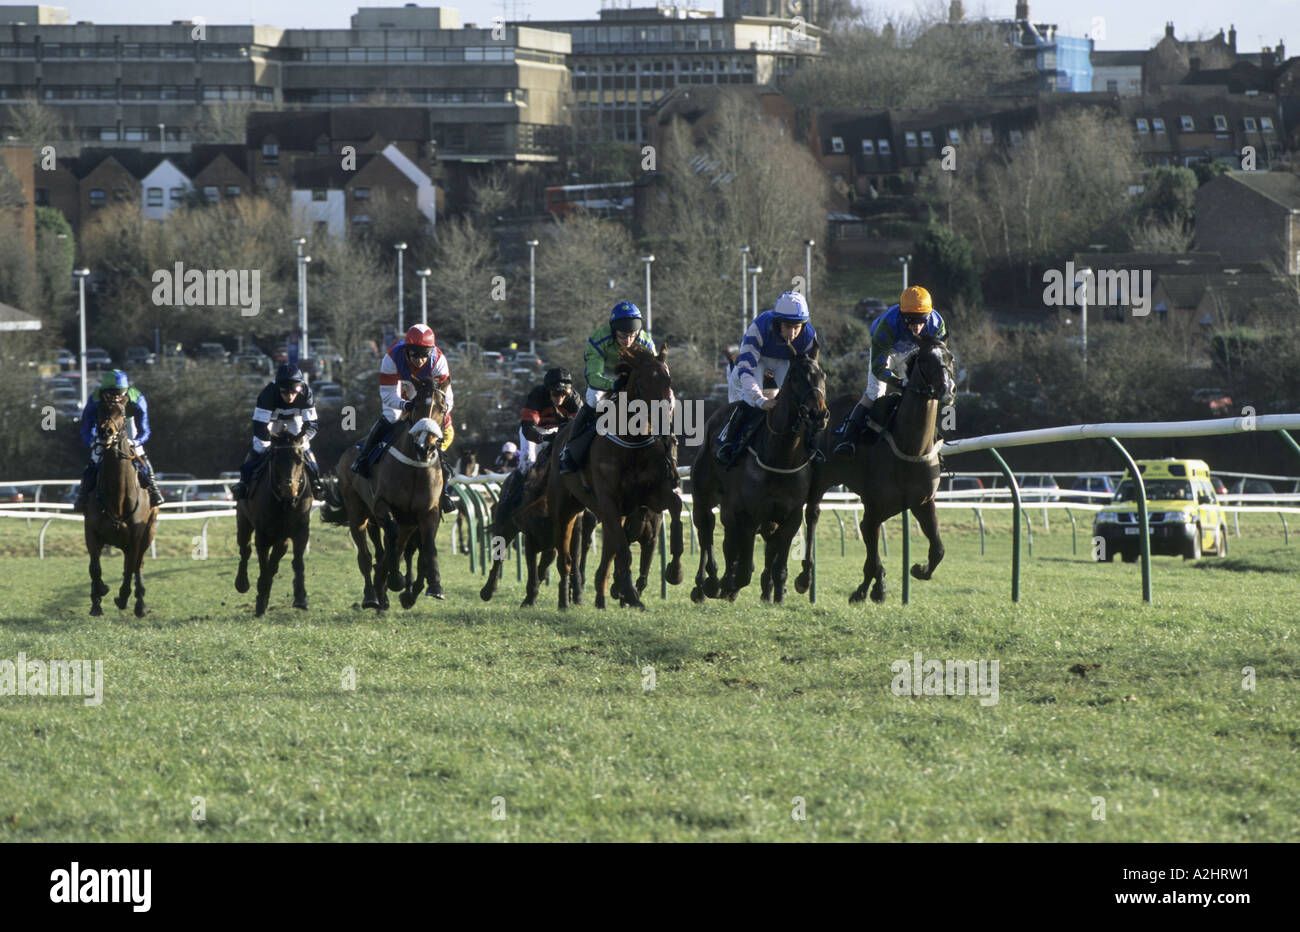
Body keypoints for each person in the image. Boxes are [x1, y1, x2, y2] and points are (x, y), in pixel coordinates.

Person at [558, 301, 675, 484]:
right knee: (594, 400)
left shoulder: (645, 340)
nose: (627, 340)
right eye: (622, 336)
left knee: (668, 401)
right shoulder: (598, 340)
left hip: (634, 380)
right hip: (605, 377)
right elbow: (593, 376)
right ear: (614, 331)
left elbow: (655, 371)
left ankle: (667, 451)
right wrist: (613, 384)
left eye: (632, 335)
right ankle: (570, 450)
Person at [352, 323, 457, 513]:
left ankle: (444, 489)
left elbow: (448, 397)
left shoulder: (439, 360)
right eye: (415, 354)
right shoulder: (392, 357)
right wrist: (406, 405)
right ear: (406, 350)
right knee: (391, 417)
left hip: (428, 393)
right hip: (400, 390)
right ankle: (364, 459)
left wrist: (439, 411)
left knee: (440, 430)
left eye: (424, 354)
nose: (419, 359)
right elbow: (387, 395)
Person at [833, 285, 948, 456]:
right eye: (911, 320)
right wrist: (899, 382)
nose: (916, 327)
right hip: (886, 351)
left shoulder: (937, 326)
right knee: (875, 392)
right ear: (902, 316)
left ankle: (933, 439)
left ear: (929, 316)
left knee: (925, 392)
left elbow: (939, 359)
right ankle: (847, 437)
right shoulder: (887, 325)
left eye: (921, 320)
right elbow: (879, 369)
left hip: (912, 352)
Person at [715, 291, 821, 467]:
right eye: (788, 326)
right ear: (778, 322)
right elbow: (746, 371)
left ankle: (812, 445)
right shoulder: (759, 328)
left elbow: (809, 373)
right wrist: (760, 400)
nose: (793, 333)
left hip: (786, 361)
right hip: (758, 359)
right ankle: (729, 442)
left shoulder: (809, 336)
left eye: (797, 327)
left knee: (802, 397)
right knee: (748, 400)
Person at [73, 369, 164, 511]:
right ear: (103, 391)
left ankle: (153, 489)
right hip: (105, 424)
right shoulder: (95, 399)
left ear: (126, 391)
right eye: (111, 393)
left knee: (140, 454)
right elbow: (86, 425)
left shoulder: (137, 398)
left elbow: (145, 430)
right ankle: (83, 495)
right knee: (95, 458)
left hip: (128, 423)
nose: (116, 398)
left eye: (119, 393)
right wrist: (91, 441)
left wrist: (136, 442)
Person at [497, 368, 580, 522]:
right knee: (528, 463)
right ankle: (509, 502)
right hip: (534, 432)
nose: (560, 398)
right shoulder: (537, 395)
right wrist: (546, 437)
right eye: (556, 394)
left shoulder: (574, 399)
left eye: (563, 394)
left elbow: (579, 428)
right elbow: (528, 429)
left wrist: (560, 437)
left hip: (558, 431)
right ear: (548, 391)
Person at [231, 364, 323, 500]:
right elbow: (259, 426)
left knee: (304, 447)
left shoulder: (306, 392)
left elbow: (312, 425)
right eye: (285, 393)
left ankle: (316, 482)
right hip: (271, 421)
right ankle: (243, 483)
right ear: (278, 389)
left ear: (300, 388)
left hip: (294, 420)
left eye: (293, 393)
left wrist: (303, 438)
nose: (290, 397)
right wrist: (273, 440)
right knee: (260, 447)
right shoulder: (268, 393)